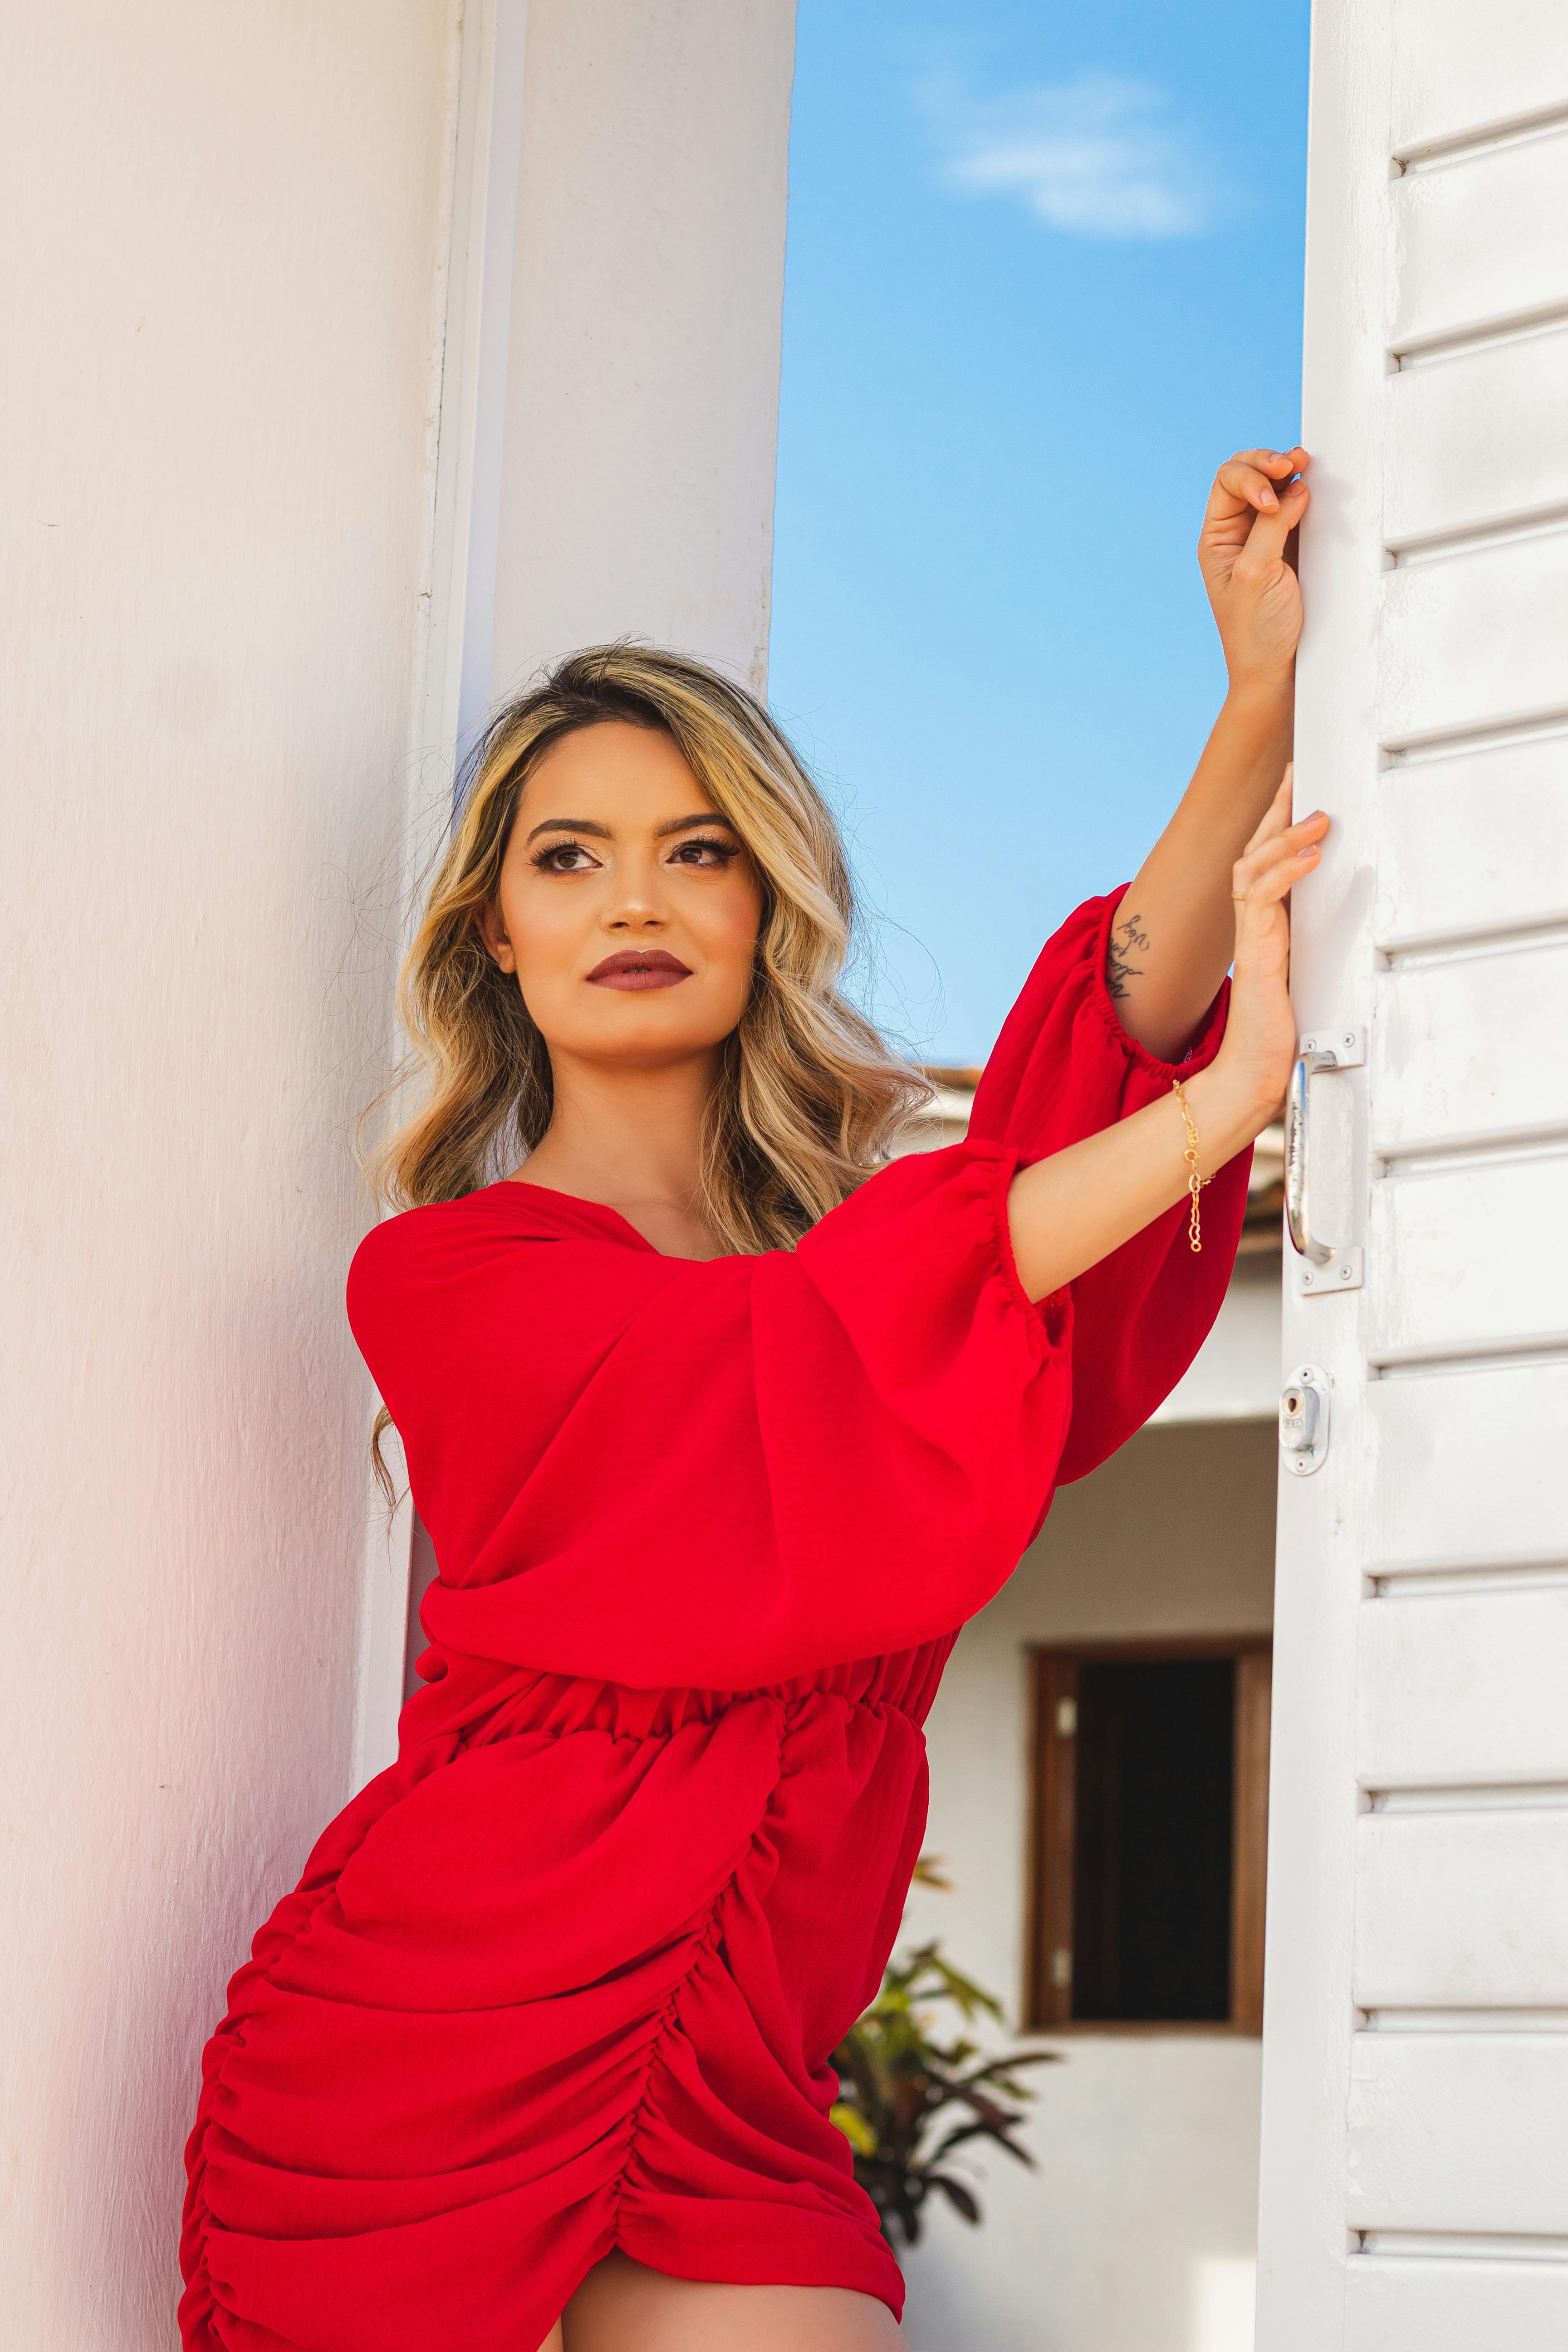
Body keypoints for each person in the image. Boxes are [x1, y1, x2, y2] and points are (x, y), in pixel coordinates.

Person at [180, 449, 1322, 2352]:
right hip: (434, 2053)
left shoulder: (901, 1264)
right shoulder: (448, 1280)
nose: (637, 898)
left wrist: (1257, 696)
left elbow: (1099, 1069)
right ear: (497, 932)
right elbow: (794, 1354)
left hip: (736, 2074)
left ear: (762, 899)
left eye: (696, 847)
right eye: (571, 856)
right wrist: (1236, 1105)